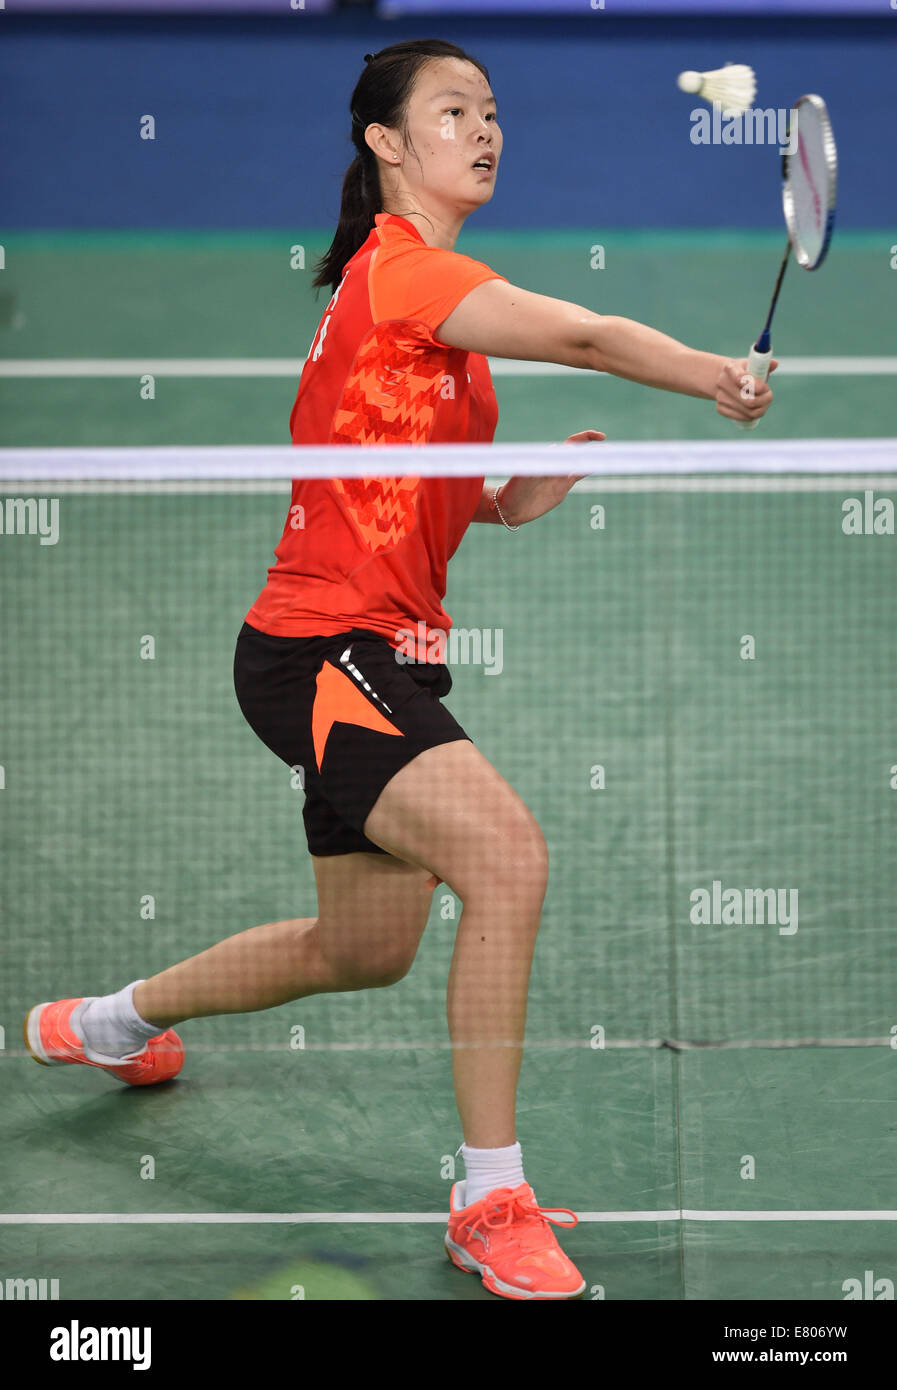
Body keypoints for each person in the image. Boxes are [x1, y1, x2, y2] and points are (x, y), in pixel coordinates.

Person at [25, 38, 774, 1301]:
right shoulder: (410, 272)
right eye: (451, 112)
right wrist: (712, 376)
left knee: (359, 947)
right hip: (325, 651)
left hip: (368, 653)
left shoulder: (392, 295)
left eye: (492, 112)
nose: (484, 131)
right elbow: (586, 333)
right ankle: (490, 1196)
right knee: (511, 859)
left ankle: (106, 1022)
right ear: (384, 140)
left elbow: (367, 457)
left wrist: (492, 498)